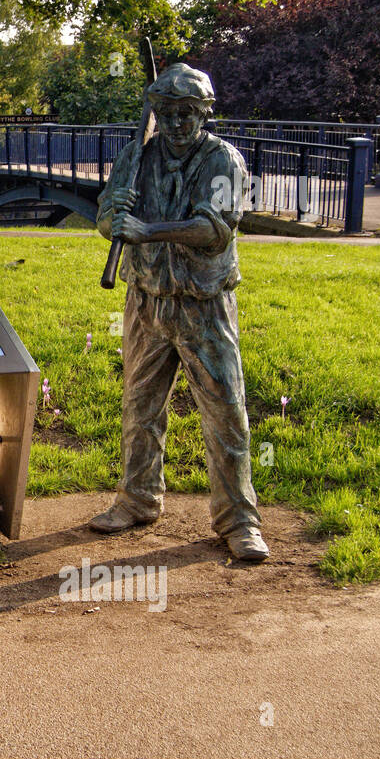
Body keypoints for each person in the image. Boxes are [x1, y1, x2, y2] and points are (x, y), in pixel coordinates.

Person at [93, 64, 269, 562]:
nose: (174, 122)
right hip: (147, 297)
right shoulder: (136, 157)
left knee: (224, 410)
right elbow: (106, 215)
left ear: (203, 114)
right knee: (140, 403)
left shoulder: (223, 161)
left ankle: (239, 520)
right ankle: (137, 499)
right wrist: (114, 218)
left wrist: (148, 230)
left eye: (186, 113)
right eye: (166, 112)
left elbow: (215, 231)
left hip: (203, 305)